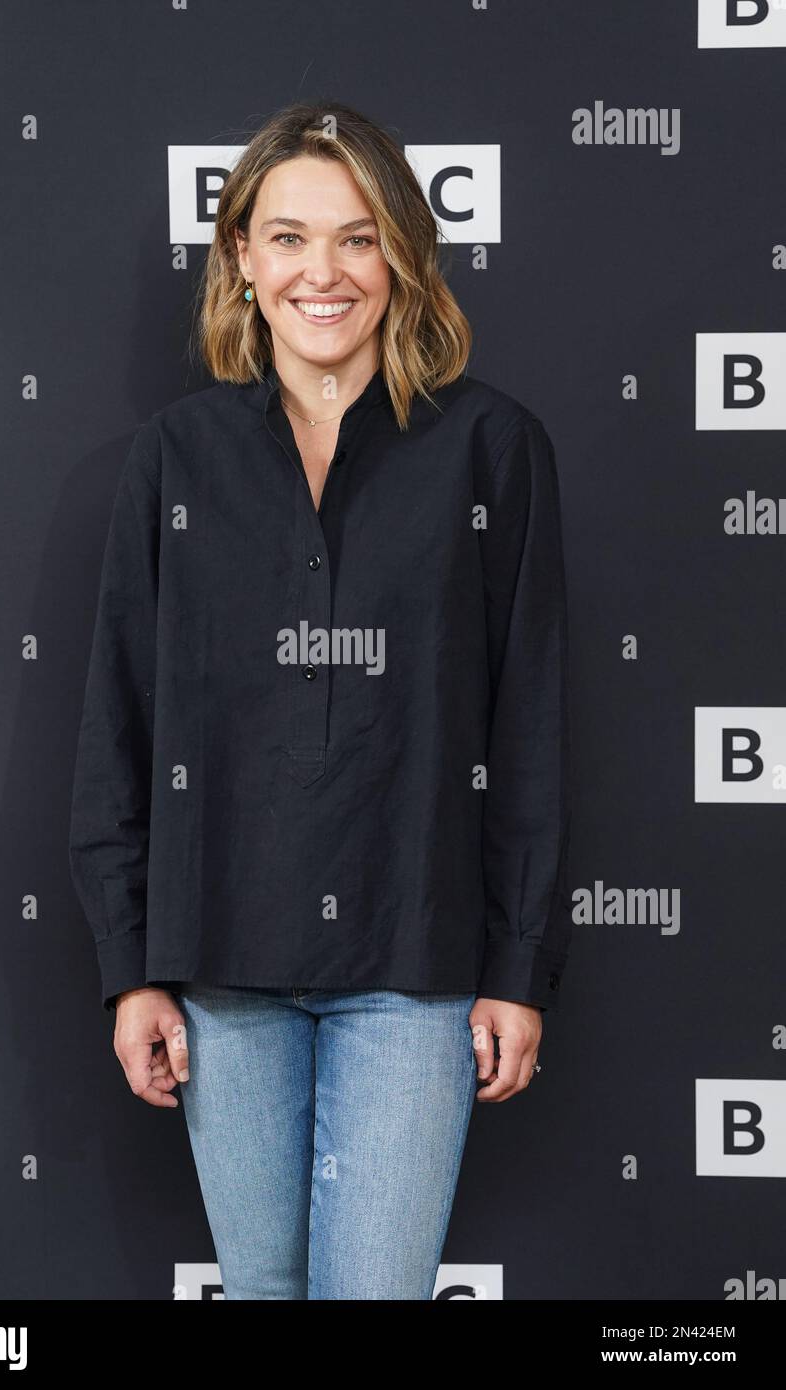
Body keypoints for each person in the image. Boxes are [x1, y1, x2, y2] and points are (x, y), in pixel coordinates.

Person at [69, 100, 573, 1300]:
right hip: (220, 959)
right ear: (240, 257)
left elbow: (530, 725)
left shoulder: (493, 448)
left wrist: (517, 962)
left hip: (415, 963)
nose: (323, 272)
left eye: (357, 238)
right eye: (289, 238)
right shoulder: (175, 457)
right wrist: (131, 965)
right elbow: (118, 724)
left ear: (402, 255)